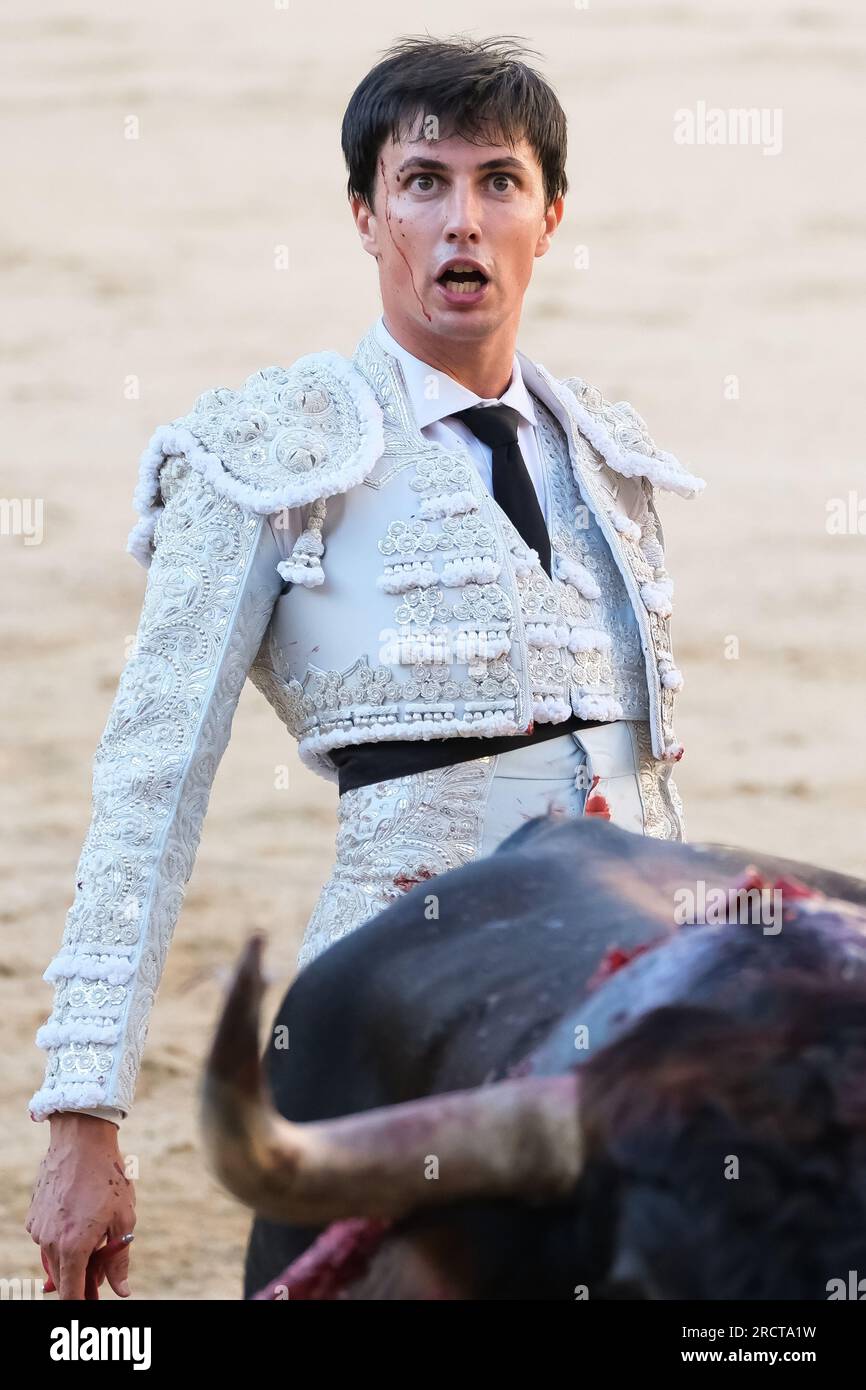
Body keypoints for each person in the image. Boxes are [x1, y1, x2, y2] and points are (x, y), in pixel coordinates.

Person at [25, 33, 704, 1300]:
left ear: (548, 217)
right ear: (363, 213)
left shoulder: (610, 462)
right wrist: (84, 1114)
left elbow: (650, 790)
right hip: (395, 1027)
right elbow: (148, 785)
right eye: (422, 181)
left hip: (624, 1017)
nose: (462, 219)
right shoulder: (266, 455)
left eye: (497, 181)